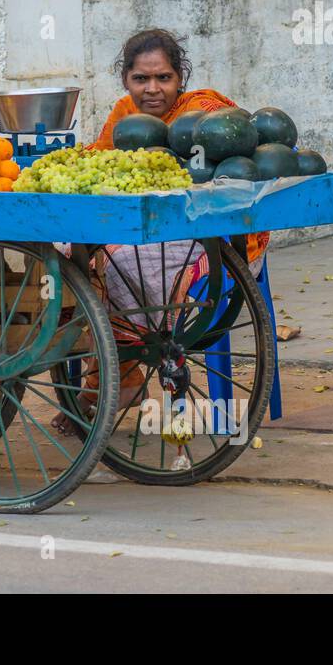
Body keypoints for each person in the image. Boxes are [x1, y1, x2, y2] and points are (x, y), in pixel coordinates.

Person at [52, 29, 268, 433]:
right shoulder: (123, 116)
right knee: (73, 252)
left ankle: (119, 372)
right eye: (141, 79)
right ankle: (119, 371)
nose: (153, 89)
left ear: (180, 78)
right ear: (125, 80)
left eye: (163, 78)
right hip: (143, 229)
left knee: (120, 262)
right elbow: (102, 168)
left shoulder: (204, 113)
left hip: (211, 238)